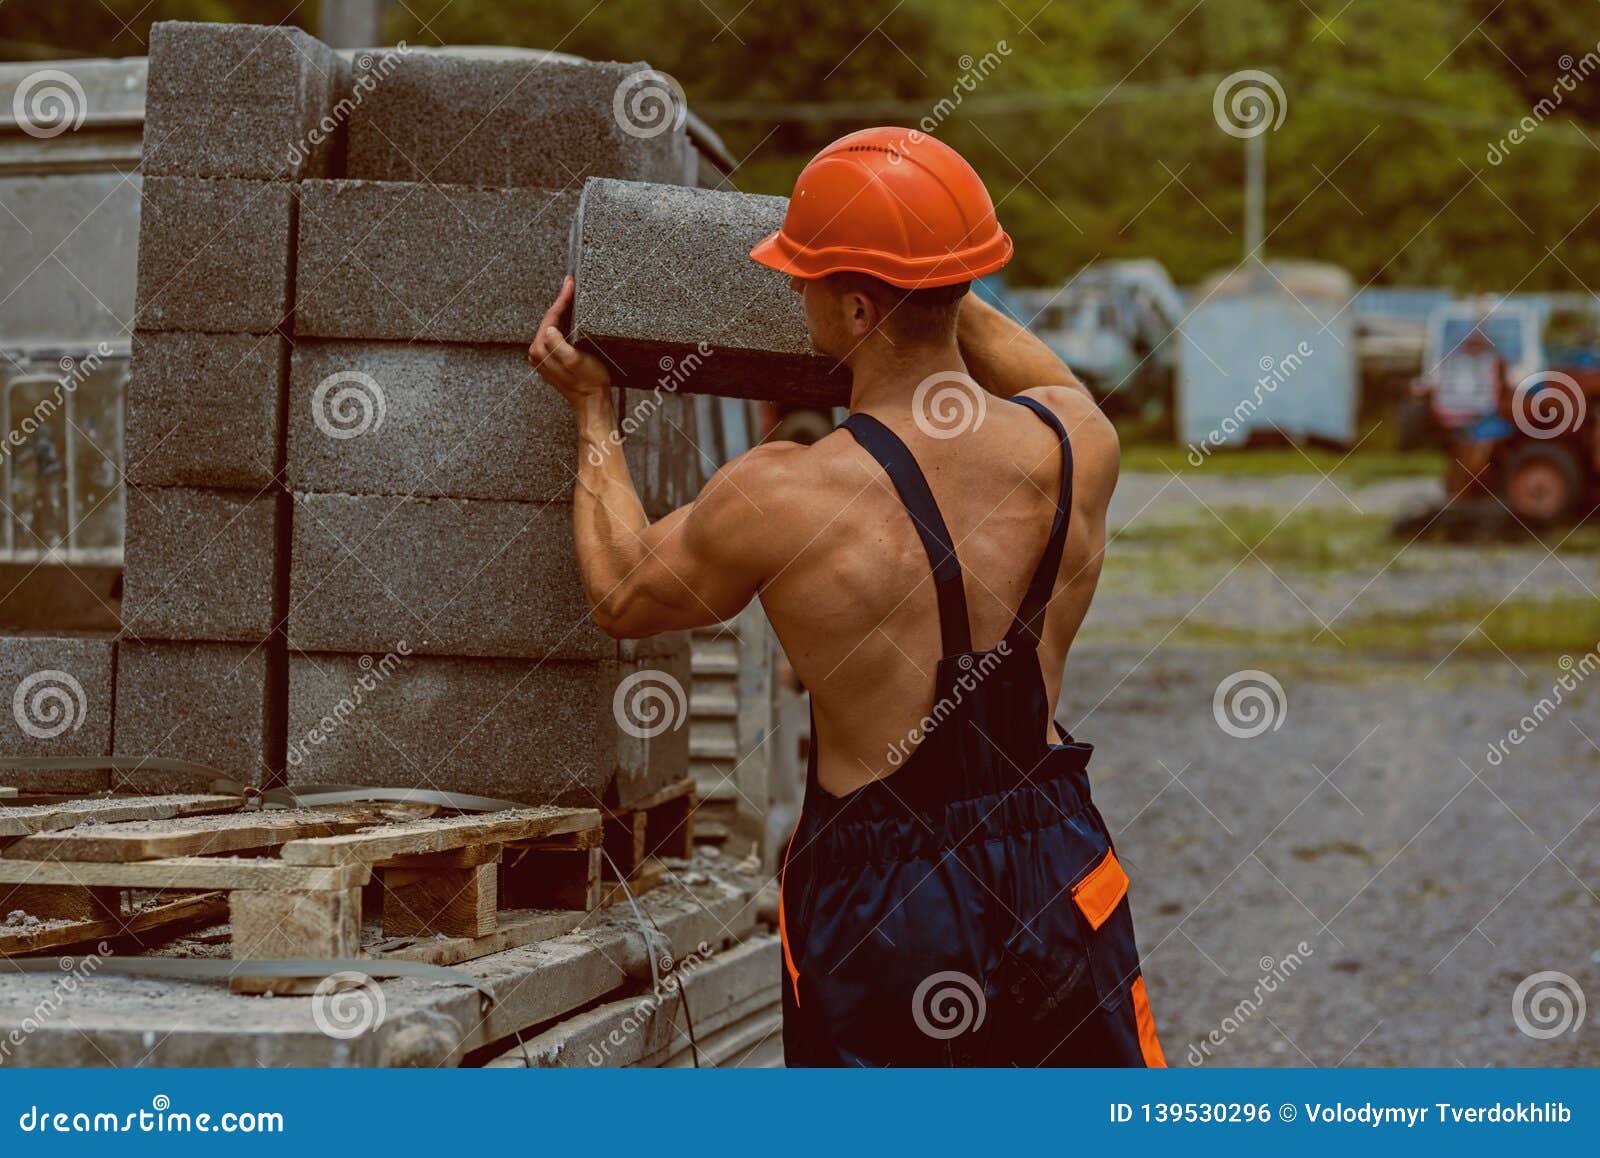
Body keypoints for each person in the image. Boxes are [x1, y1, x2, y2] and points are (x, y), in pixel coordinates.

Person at [529, 127, 1164, 1067]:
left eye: (806, 279)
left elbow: (621, 590)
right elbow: (1034, 372)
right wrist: (929, 268)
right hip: (1056, 870)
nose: (793, 294)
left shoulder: (783, 494)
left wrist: (592, 411)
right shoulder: (1075, 442)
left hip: (888, 907)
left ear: (858, 307)